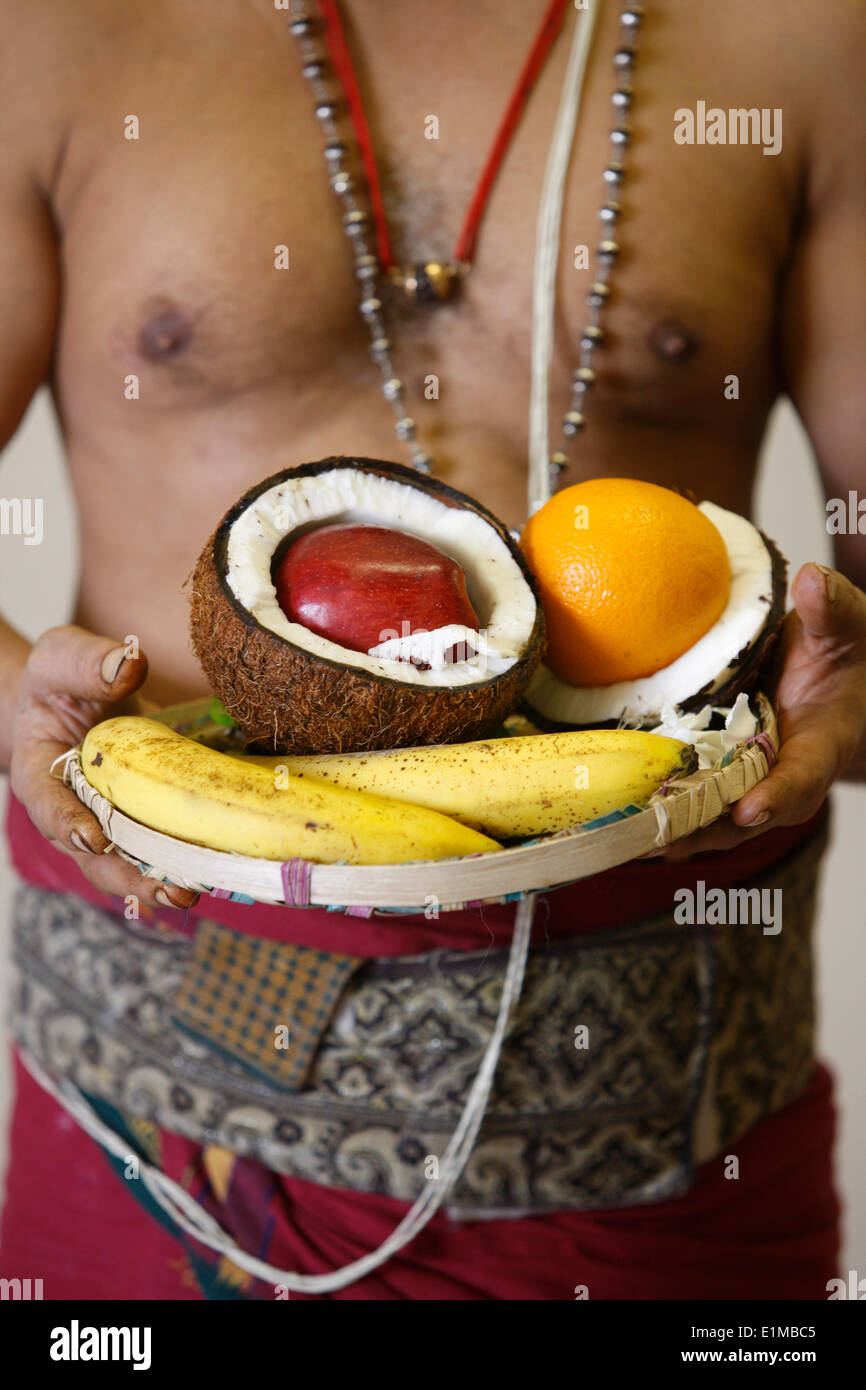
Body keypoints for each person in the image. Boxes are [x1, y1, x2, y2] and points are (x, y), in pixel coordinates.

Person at [0, 0, 864, 1300]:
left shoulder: (802, 37)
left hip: (655, 1145)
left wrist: (844, 704)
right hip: (157, 1140)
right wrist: (13, 702)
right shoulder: (54, 32)